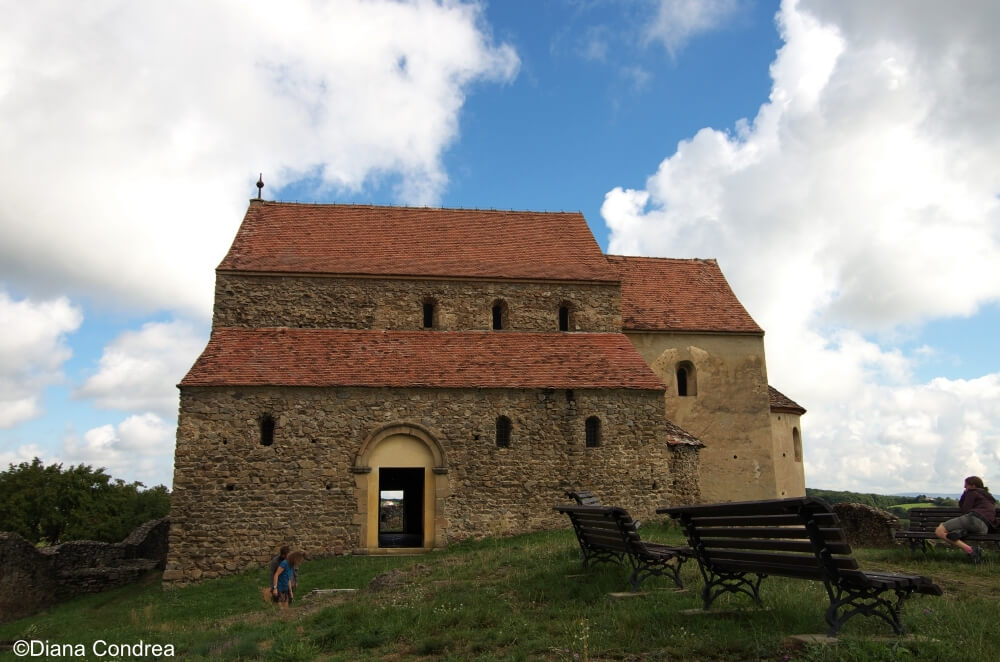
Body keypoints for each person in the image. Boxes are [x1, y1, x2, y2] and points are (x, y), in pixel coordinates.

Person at [934, 476, 997, 563]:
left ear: (973, 486)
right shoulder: (988, 497)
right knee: (958, 530)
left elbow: (965, 509)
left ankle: (970, 550)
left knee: (940, 531)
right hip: (984, 528)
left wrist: (964, 494)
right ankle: (960, 532)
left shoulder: (972, 492)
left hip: (974, 519)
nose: (964, 487)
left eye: (966, 485)